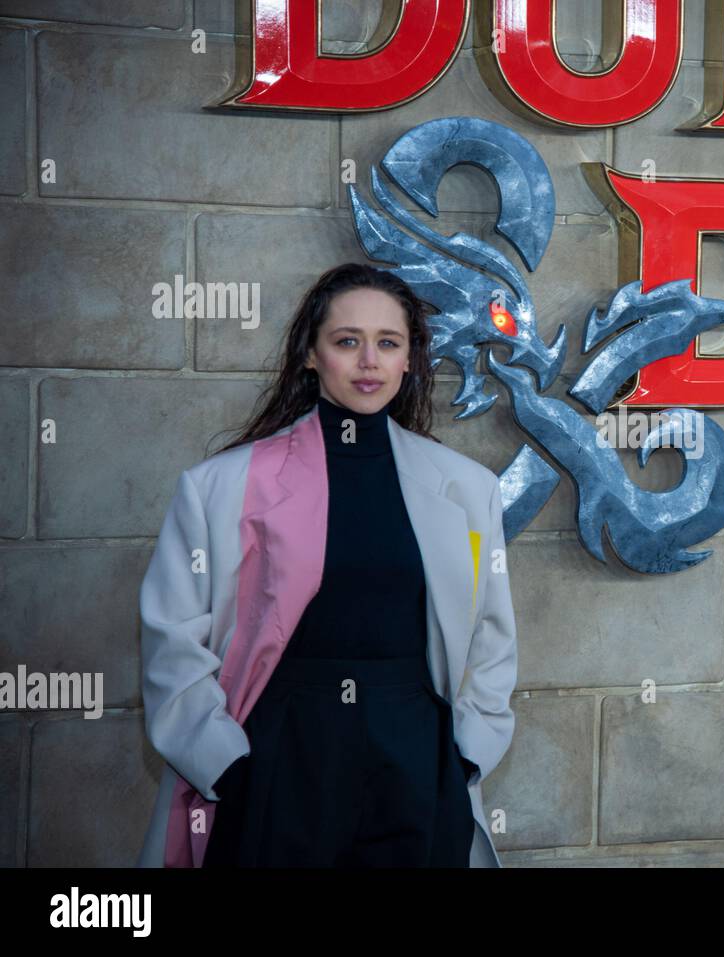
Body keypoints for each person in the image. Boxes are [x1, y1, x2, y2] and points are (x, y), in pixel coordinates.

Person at [135, 262, 518, 868]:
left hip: (418, 765)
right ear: (312, 354)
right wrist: (232, 769)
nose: (369, 361)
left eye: (388, 343)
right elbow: (172, 645)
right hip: (280, 760)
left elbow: (492, 638)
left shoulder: (467, 489)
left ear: (410, 360)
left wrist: (463, 757)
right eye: (347, 341)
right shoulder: (219, 487)